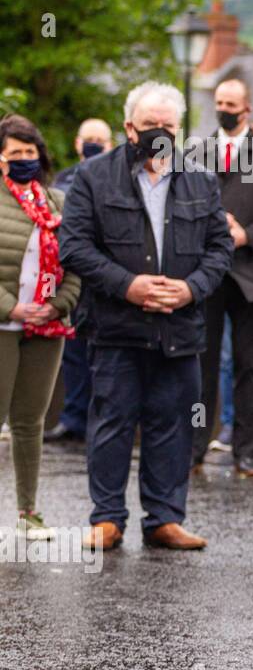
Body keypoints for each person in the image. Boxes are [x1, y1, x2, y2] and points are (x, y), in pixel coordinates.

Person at [59, 82, 233, 552]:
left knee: (173, 424)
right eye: (151, 125)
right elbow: (72, 247)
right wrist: (127, 285)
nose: (160, 133)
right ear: (129, 126)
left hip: (180, 328)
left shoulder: (199, 179)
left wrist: (191, 288)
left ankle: (164, 518)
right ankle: (107, 518)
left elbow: (221, 248)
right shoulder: (93, 177)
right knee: (112, 423)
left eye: (169, 126)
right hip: (116, 328)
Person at [191, 78, 253, 477]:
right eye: (218, 102)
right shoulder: (196, 152)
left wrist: (246, 235)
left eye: (230, 103)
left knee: (252, 364)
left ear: (247, 108)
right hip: (206, 273)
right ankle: (194, 448)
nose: (223, 109)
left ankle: (248, 450)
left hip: (251, 274)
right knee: (201, 364)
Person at [0, 115, 81, 540]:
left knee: (30, 421)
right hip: (4, 325)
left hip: (47, 328)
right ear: (0, 159)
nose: (24, 160)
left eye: (30, 153)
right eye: (15, 154)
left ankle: (28, 512)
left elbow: (76, 263)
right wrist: (13, 308)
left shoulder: (57, 202)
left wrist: (55, 306)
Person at [46, 119, 114, 444]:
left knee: (102, 353)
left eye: (100, 140)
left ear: (110, 144)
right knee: (72, 353)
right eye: (89, 139)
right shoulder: (63, 179)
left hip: (104, 276)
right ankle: (73, 418)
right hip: (73, 276)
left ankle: (99, 420)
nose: (94, 144)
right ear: (77, 143)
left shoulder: (116, 178)